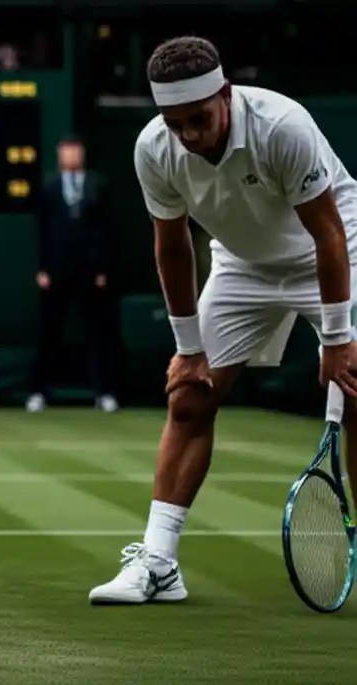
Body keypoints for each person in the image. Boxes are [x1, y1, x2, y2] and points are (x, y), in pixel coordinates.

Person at [89, 36, 357, 604]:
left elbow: (329, 233)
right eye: (174, 122)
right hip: (241, 264)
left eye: (199, 119)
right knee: (189, 397)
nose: (188, 135)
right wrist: (189, 349)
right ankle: (159, 563)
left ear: (226, 96)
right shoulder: (153, 149)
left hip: (334, 253)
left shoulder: (283, 126)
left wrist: (337, 339)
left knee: (355, 393)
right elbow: (173, 248)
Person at [27, 135, 120, 413]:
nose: (71, 156)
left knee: (97, 335)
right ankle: (38, 392)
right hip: (56, 271)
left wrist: (102, 269)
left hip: (89, 272)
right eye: (66, 152)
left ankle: (105, 393)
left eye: (75, 151)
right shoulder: (48, 187)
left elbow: (107, 231)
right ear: (59, 156)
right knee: (49, 334)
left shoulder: (98, 186)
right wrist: (43, 269)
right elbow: (42, 231)